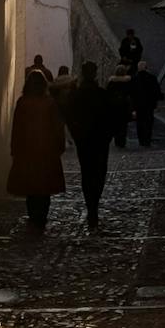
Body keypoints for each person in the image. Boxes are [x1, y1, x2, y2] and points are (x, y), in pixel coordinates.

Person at [6, 68, 66, 231]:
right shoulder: (49, 103)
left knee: (31, 186)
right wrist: (60, 145)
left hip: (27, 150)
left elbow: (17, 128)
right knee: (44, 186)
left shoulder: (22, 102)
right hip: (46, 150)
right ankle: (41, 216)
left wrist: (15, 149)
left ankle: (33, 215)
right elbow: (57, 127)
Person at [64, 61, 113, 231]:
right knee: (99, 173)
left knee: (87, 173)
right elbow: (111, 118)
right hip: (100, 141)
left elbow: (69, 117)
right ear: (94, 74)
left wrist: (76, 135)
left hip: (84, 141)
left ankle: (91, 206)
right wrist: (107, 136)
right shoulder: (102, 94)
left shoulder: (75, 95)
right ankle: (94, 205)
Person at [130, 62, 161, 147]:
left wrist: (133, 107)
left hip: (138, 105)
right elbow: (156, 92)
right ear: (146, 68)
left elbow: (132, 94)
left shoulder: (134, 79)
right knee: (148, 123)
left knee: (140, 123)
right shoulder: (152, 78)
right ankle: (147, 140)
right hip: (149, 105)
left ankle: (141, 141)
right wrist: (156, 102)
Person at [105, 63, 133, 149]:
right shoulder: (128, 82)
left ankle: (117, 140)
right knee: (123, 125)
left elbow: (107, 95)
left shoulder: (111, 82)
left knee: (115, 124)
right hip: (124, 106)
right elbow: (130, 94)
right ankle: (122, 141)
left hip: (114, 106)